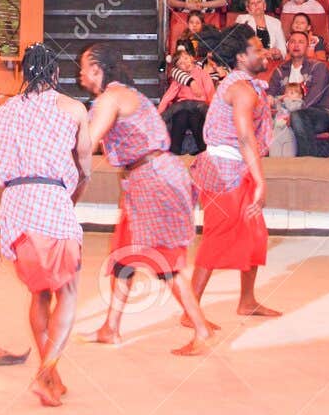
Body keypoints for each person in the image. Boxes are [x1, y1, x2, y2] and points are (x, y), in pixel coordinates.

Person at [79, 44, 213, 354]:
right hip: (149, 178)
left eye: (84, 66)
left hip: (153, 179)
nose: (80, 73)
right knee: (124, 257)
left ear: (98, 70)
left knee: (164, 261)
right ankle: (111, 328)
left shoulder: (109, 98)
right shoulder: (128, 94)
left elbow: (87, 141)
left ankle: (202, 329)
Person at [0, 43, 92, 407]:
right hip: (53, 203)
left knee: (40, 293)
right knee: (70, 293)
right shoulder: (73, 109)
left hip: (15, 211)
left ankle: (51, 374)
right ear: (56, 75)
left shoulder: (1, 114)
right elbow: (86, 167)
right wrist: (70, 200)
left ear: (22, 75)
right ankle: (46, 374)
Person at [189, 26, 279, 319]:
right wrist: (261, 182)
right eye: (257, 49)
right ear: (241, 57)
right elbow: (244, 137)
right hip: (224, 171)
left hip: (236, 168)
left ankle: (247, 301)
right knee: (218, 237)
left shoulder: (244, 85)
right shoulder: (240, 89)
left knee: (254, 234)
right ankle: (190, 310)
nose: (264, 52)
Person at [268, 31, 329, 157]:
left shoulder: (318, 67)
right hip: (287, 114)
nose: (296, 45)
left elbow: (315, 96)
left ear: (307, 45)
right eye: (292, 42)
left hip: (320, 112)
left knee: (297, 116)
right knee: (277, 121)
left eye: (301, 42)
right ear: (288, 46)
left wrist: (291, 114)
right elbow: (271, 93)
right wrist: (271, 101)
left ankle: (307, 161)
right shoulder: (280, 70)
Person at [158, 44, 214, 155]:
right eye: (181, 64)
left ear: (192, 58)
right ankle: (175, 150)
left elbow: (210, 93)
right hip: (182, 107)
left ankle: (203, 149)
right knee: (181, 115)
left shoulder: (202, 74)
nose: (185, 63)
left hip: (199, 107)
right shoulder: (180, 78)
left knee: (195, 116)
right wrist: (159, 113)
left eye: (186, 59)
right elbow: (168, 96)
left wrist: (212, 110)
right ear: (178, 68)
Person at [235, 0, 286, 64]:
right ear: (248, 8)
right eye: (252, 3)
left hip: (271, 61)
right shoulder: (242, 20)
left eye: (259, 2)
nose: (256, 5)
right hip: (250, 62)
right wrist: (261, 53)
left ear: (264, 5)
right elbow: (240, 46)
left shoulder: (276, 22)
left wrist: (278, 53)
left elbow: (283, 49)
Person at [269, 83, 304, 156]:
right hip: (276, 133)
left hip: (289, 134)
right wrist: (279, 98)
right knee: (274, 157)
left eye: (292, 93)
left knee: (288, 159)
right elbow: (273, 102)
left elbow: (291, 108)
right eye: (286, 93)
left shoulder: (299, 103)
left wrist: (286, 99)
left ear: (300, 96)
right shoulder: (282, 103)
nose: (288, 95)